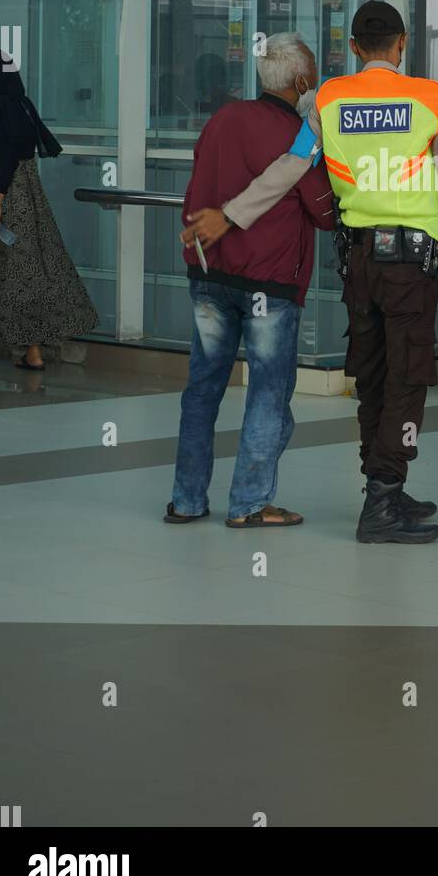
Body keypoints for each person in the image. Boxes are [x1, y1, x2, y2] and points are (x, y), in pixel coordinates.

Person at [182, 2, 438, 545]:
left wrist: (231, 215)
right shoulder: (432, 97)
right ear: (402, 44)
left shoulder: (328, 99)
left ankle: (381, 483)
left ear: (351, 47)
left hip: (358, 264)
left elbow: (290, 168)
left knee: (370, 375)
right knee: (408, 376)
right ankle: (385, 496)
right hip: (411, 264)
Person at [166, 33, 333, 529]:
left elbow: (197, 187)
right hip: (270, 283)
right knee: (267, 393)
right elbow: (323, 212)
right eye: (315, 74)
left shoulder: (222, 119)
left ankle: (186, 500)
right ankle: (250, 503)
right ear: (302, 81)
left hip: (209, 273)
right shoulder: (298, 135)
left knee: (202, 388)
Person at [0, 53, 98, 372]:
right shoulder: (24, 105)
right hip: (27, 197)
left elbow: (6, 154)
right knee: (24, 268)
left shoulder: (0, 106)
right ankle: (32, 351)